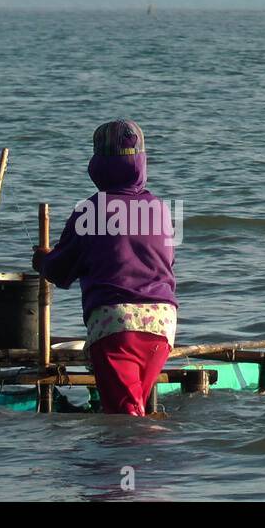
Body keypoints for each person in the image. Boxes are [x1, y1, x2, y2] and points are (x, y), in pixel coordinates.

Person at [32, 119, 177, 416]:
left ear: (98, 162)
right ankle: (147, 460)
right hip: (162, 323)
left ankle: (123, 460)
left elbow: (61, 271)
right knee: (132, 406)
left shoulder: (90, 211)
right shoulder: (160, 208)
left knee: (123, 417)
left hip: (116, 323)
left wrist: (42, 261)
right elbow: (165, 260)